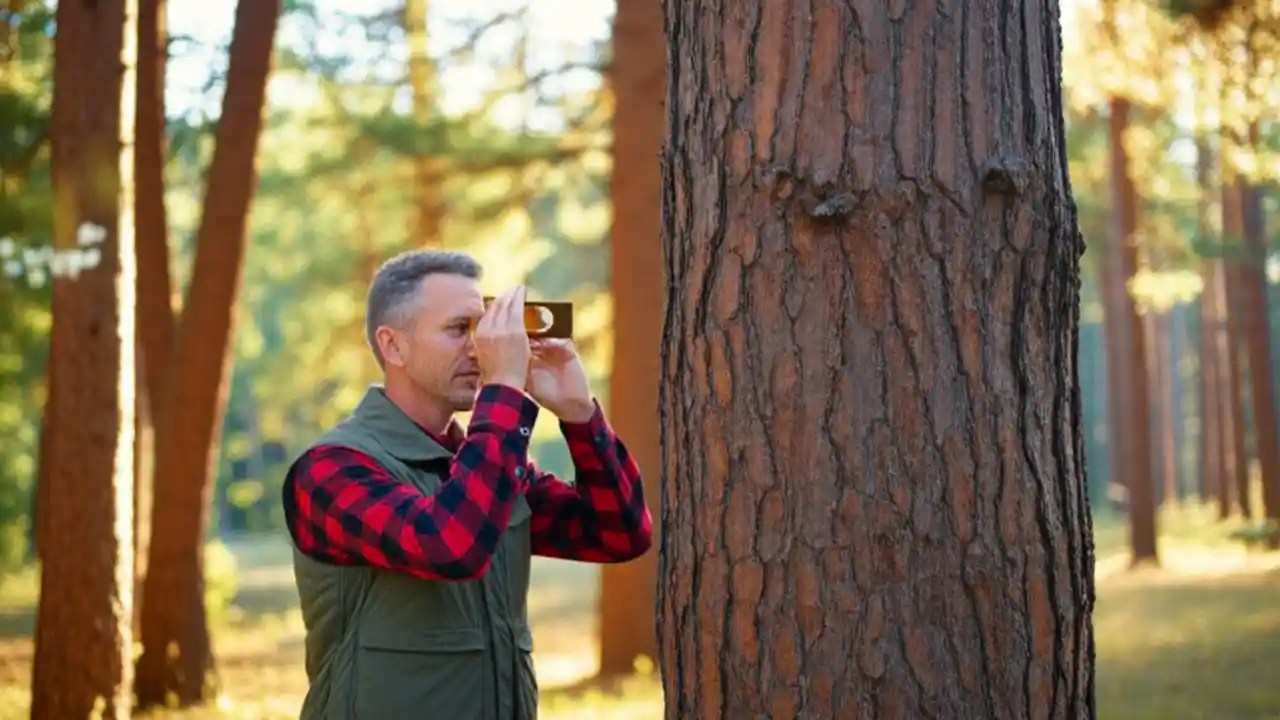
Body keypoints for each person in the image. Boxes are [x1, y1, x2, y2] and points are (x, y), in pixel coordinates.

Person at [281, 250, 653, 720]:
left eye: (482, 330)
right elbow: (450, 545)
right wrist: (503, 392)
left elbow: (620, 534)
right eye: (459, 330)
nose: (479, 349)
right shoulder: (330, 470)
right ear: (393, 346)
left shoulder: (485, 465)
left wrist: (580, 413)